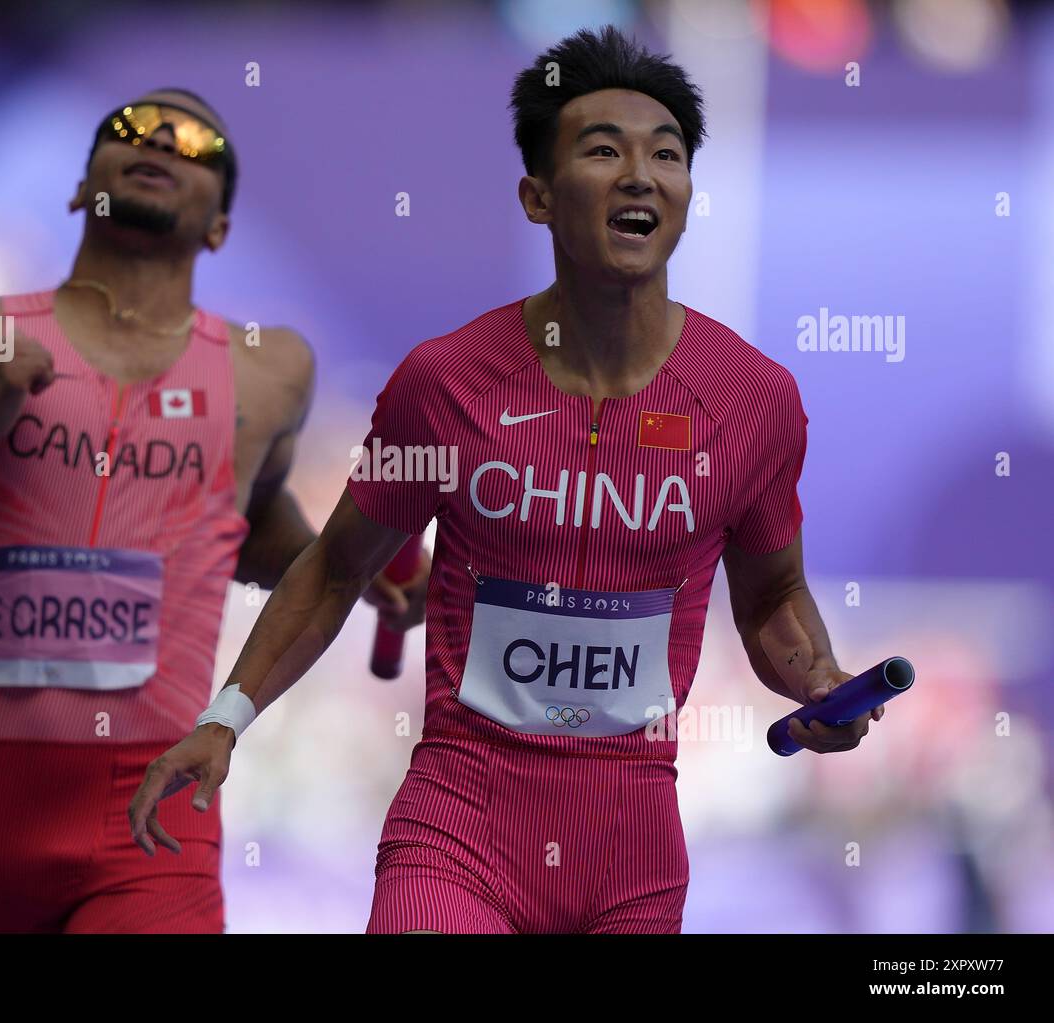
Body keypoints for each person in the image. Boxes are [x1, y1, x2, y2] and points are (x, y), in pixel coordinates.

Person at [130, 29, 885, 934]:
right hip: (456, 836)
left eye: (667, 155)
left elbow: (775, 597)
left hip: (634, 858)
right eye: (603, 150)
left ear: (686, 197)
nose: (640, 173)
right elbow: (336, 568)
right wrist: (225, 716)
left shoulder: (753, 400)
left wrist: (820, 683)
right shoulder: (445, 382)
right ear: (537, 196)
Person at [0, 88, 426, 933]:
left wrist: (359, 566)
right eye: (128, 130)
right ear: (83, 187)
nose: (157, 139)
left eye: (193, 142)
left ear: (220, 223)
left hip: (156, 810)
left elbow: (241, 520)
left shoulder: (270, 372)